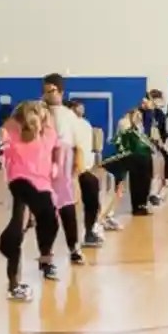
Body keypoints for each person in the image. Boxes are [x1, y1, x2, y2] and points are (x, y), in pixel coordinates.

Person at [0, 100, 61, 295]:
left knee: (50, 224)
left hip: (43, 187)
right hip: (21, 185)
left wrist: (56, 167)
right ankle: (14, 283)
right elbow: (2, 148)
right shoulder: (12, 135)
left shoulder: (49, 135)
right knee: (17, 231)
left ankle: (46, 259)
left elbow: (55, 145)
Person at [43, 74, 88, 265]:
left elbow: (78, 146)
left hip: (64, 171)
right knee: (46, 215)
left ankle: (74, 249)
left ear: (61, 92)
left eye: (52, 90)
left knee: (67, 211)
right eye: (45, 91)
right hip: (43, 170)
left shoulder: (69, 116)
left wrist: (78, 173)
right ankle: (46, 255)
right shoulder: (38, 112)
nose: (47, 94)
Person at [68, 100, 105, 248]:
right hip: (70, 170)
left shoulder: (85, 124)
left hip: (86, 169)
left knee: (92, 200)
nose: (81, 109)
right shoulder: (66, 125)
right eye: (77, 106)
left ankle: (89, 232)